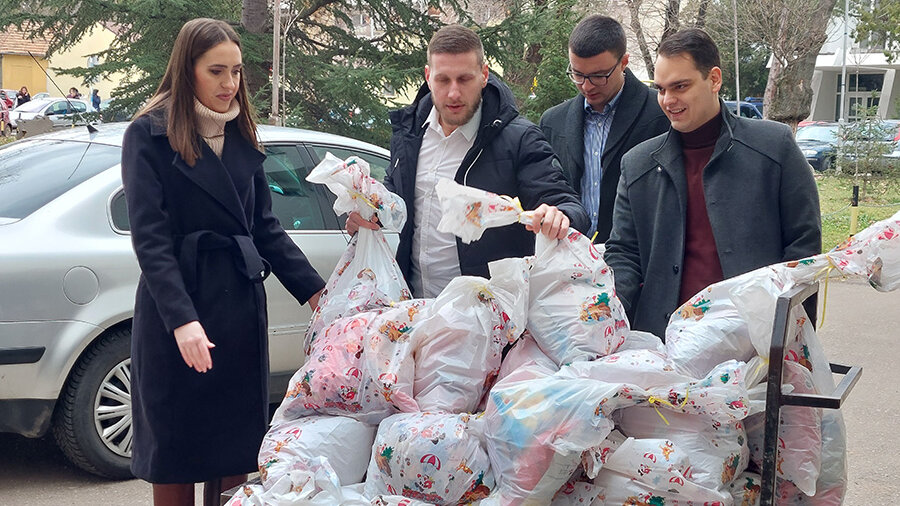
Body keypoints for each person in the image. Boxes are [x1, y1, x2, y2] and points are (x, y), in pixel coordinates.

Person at [120, 18, 325, 506]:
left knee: (234, 453)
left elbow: (264, 229)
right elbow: (151, 241)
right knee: (175, 452)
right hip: (178, 315)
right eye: (217, 71)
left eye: (236, 72)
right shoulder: (147, 135)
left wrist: (320, 294)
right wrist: (183, 320)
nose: (230, 84)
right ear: (187, 69)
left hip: (237, 309)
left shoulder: (242, 135)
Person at [604, 28, 821, 339]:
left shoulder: (774, 147)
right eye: (661, 89)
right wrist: (612, 314)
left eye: (680, 86)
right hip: (662, 342)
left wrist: (785, 333)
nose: (668, 100)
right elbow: (624, 252)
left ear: (714, 79)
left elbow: (804, 247)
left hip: (752, 340)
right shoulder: (637, 163)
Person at [348, 24, 589, 298]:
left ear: (484, 75)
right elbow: (395, 198)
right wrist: (370, 215)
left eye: (464, 79)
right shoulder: (410, 132)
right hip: (416, 309)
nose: (453, 93)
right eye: (443, 80)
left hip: (489, 320)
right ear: (428, 77)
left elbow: (568, 204)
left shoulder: (520, 139)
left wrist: (560, 216)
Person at [540, 15, 669, 243]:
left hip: (637, 260)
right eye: (578, 74)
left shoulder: (660, 115)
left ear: (624, 62)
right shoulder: (553, 122)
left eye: (599, 76)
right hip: (569, 260)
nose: (587, 86)